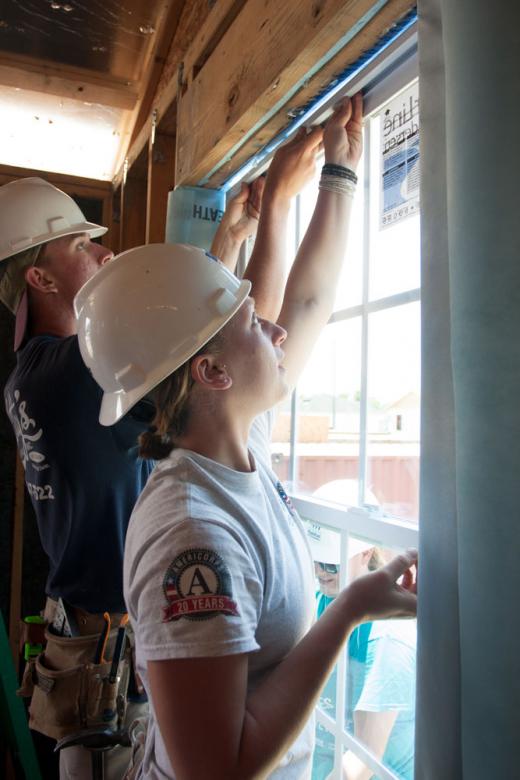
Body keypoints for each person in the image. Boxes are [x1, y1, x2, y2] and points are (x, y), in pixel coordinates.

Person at [76, 94, 418, 780]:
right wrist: (347, 609)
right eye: (252, 324)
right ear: (210, 372)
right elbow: (218, 770)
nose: (276, 327)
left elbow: (309, 301)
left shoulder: (234, 449)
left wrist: (336, 176)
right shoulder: (193, 533)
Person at [0, 133, 318, 780]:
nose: (104, 250)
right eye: (81, 246)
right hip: (113, 667)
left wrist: (226, 243)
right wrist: (280, 205)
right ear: (40, 277)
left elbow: (182, 335)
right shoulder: (71, 375)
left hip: (90, 642)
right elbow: (191, 336)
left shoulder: (32, 375)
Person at [306, 523, 416, 780]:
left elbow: (363, 759)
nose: (321, 572)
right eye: (316, 561)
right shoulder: (321, 599)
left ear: (366, 554)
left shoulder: (389, 635)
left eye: (331, 564)